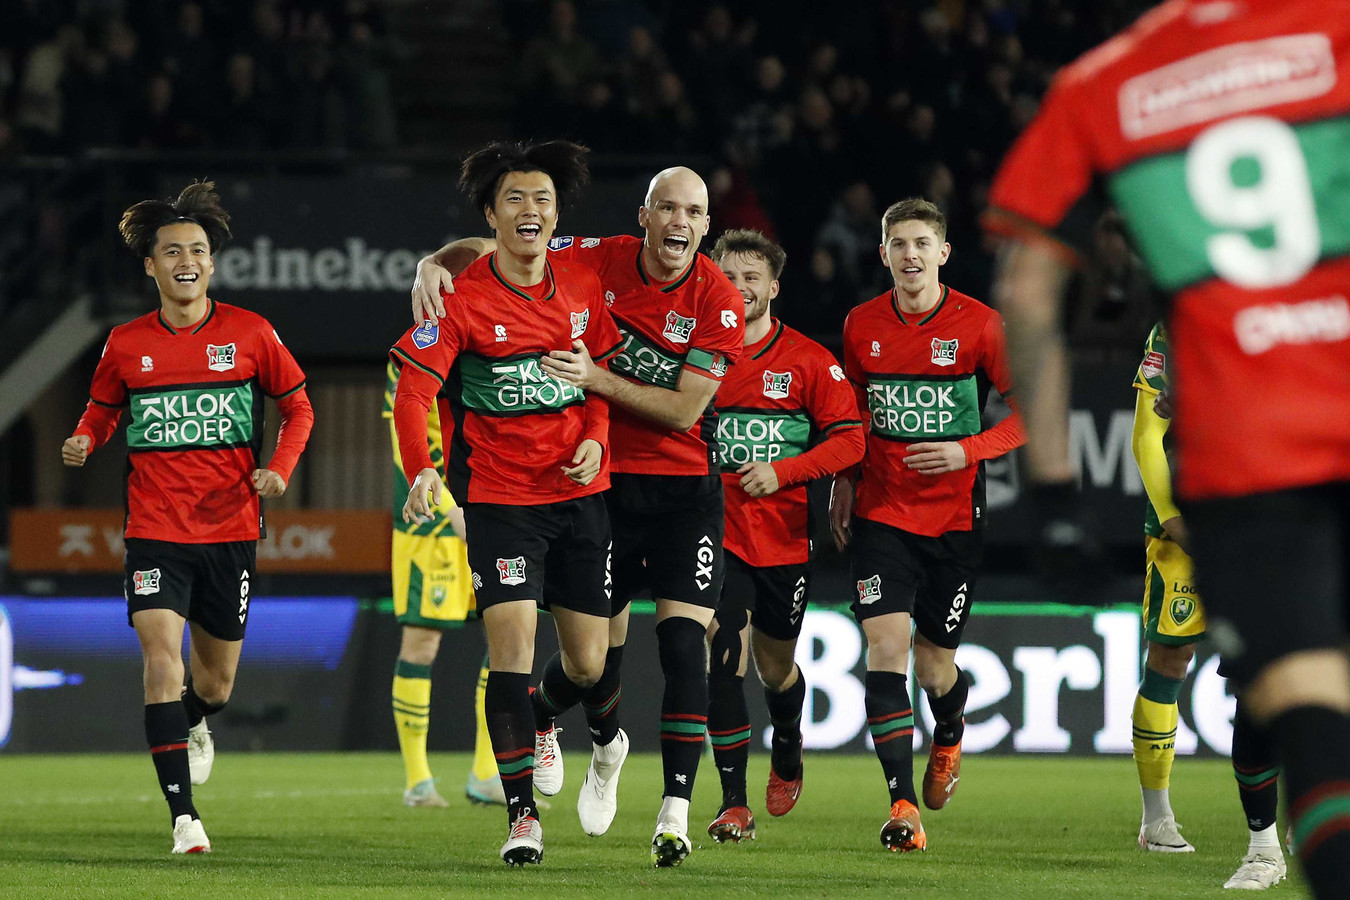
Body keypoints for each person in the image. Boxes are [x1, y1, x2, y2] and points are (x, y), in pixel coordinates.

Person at [984, 4, 1350, 896]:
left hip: (1250, 463)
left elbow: (1028, 293)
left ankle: (1291, 854)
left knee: (1295, 696)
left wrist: (1056, 493)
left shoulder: (1099, 85)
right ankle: (1230, 837)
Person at [412, 165, 745, 867]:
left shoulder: (715, 300)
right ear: (645, 216)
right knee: (553, 655)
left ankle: (649, 785)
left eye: (694, 211)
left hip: (672, 490)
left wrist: (595, 394)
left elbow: (683, 408)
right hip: (579, 486)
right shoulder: (593, 260)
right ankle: (535, 802)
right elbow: (504, 244)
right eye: (668, 208)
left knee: (629, 655)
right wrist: (434, 262)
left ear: (705, 225)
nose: (680, 222)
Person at [61, 181, 314, 854]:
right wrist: (90, 436)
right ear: (150, 265)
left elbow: (299, 408)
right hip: (154, 531)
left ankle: (195, 720)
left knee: (214, 684)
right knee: (159, 664)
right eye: (172, 250)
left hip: (230, 531)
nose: (187, 260)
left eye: (198, 249)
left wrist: (279, 470)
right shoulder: (124, 344)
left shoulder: (251, 333)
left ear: (211, 262)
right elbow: (104, 406)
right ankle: (185, 818)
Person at [391, 139, 624, 866]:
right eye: (515, 199)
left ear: (559, 216)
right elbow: (413, 389)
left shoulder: (583, 282)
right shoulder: (458, 301)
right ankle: (522, 816)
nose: (531, 210)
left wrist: (595, 435)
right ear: (491, 216)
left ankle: (576, 730)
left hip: (580, 495)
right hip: (500, 502)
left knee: (587, 666)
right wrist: (423, 468)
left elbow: (601, 372)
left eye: (543, 200)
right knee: (511, 654)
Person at [829, 198, 1025, 853]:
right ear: (882, 253)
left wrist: (967, 449)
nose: (910, 254)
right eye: (898, 244)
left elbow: (1027, 416)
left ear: (943, 253)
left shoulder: (982, 326)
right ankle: (901, 804)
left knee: (934, 664)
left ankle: (950, 726)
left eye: (922, 243)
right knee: (884, 650)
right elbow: (850, 414)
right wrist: (842, 483)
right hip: (882, 514)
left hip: (952, 522)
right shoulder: (861, 325)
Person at [703, 229, 864, 843]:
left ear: (773, 287)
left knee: (775, 669)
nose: (739, 288)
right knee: (724, 653)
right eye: (729, 277)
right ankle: (733, 803)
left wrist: (784, 471)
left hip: (782, 541)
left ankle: (789, 742)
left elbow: (851, 440)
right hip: (714, 535)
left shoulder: (806, 359)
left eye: (752, 278)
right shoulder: (694, 354)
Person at [1132, 336, 1286, 889]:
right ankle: (1156, 817)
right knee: (1171, 659)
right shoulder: (1176, 320)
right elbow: (1147, 430)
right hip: (1196, 517)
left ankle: (1302, 812)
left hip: (1283, 512)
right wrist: (1172, 517)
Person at [383, 361, 503, 808]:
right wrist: (451, 507)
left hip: (488, 508)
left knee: (506, 636)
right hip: (429, 525)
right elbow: (409, 435)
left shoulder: (488, 335)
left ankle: (487, 773)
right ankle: (418, 781)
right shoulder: (412, 354)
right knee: (421, 643)